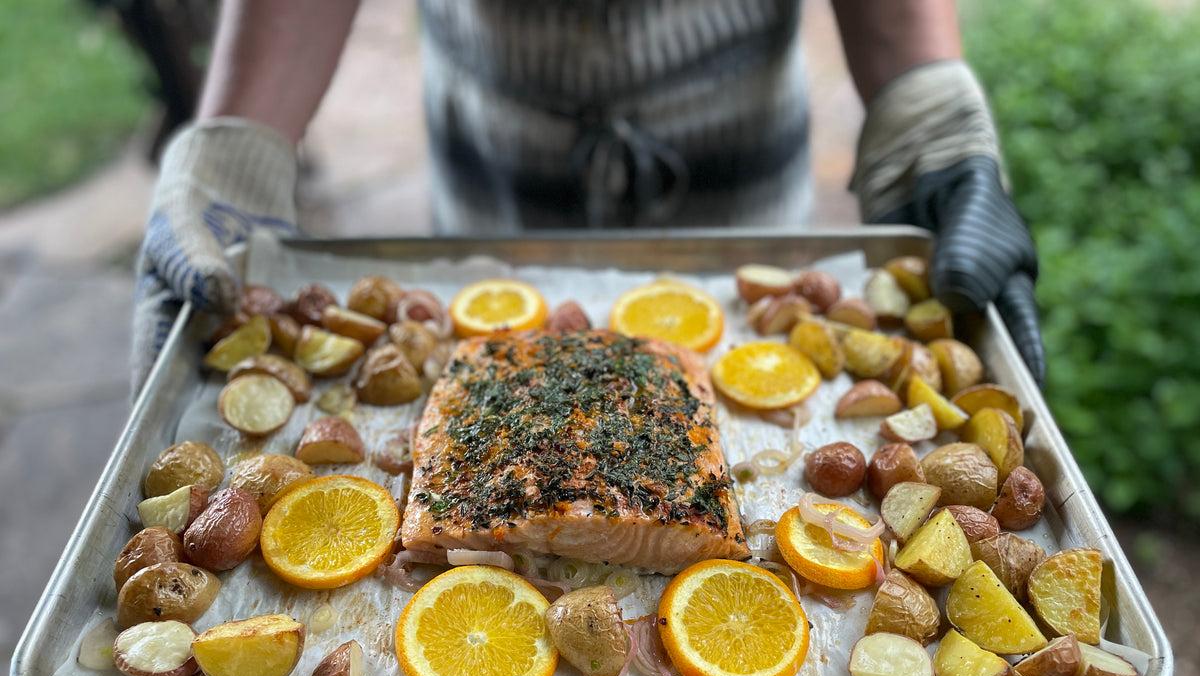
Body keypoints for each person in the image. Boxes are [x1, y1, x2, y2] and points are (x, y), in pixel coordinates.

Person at [132, 0, 1044, 391]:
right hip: (497, 130)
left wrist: (934, 128)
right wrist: (229, 164)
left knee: (746, 384)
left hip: (732, 128)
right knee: (497, 381)